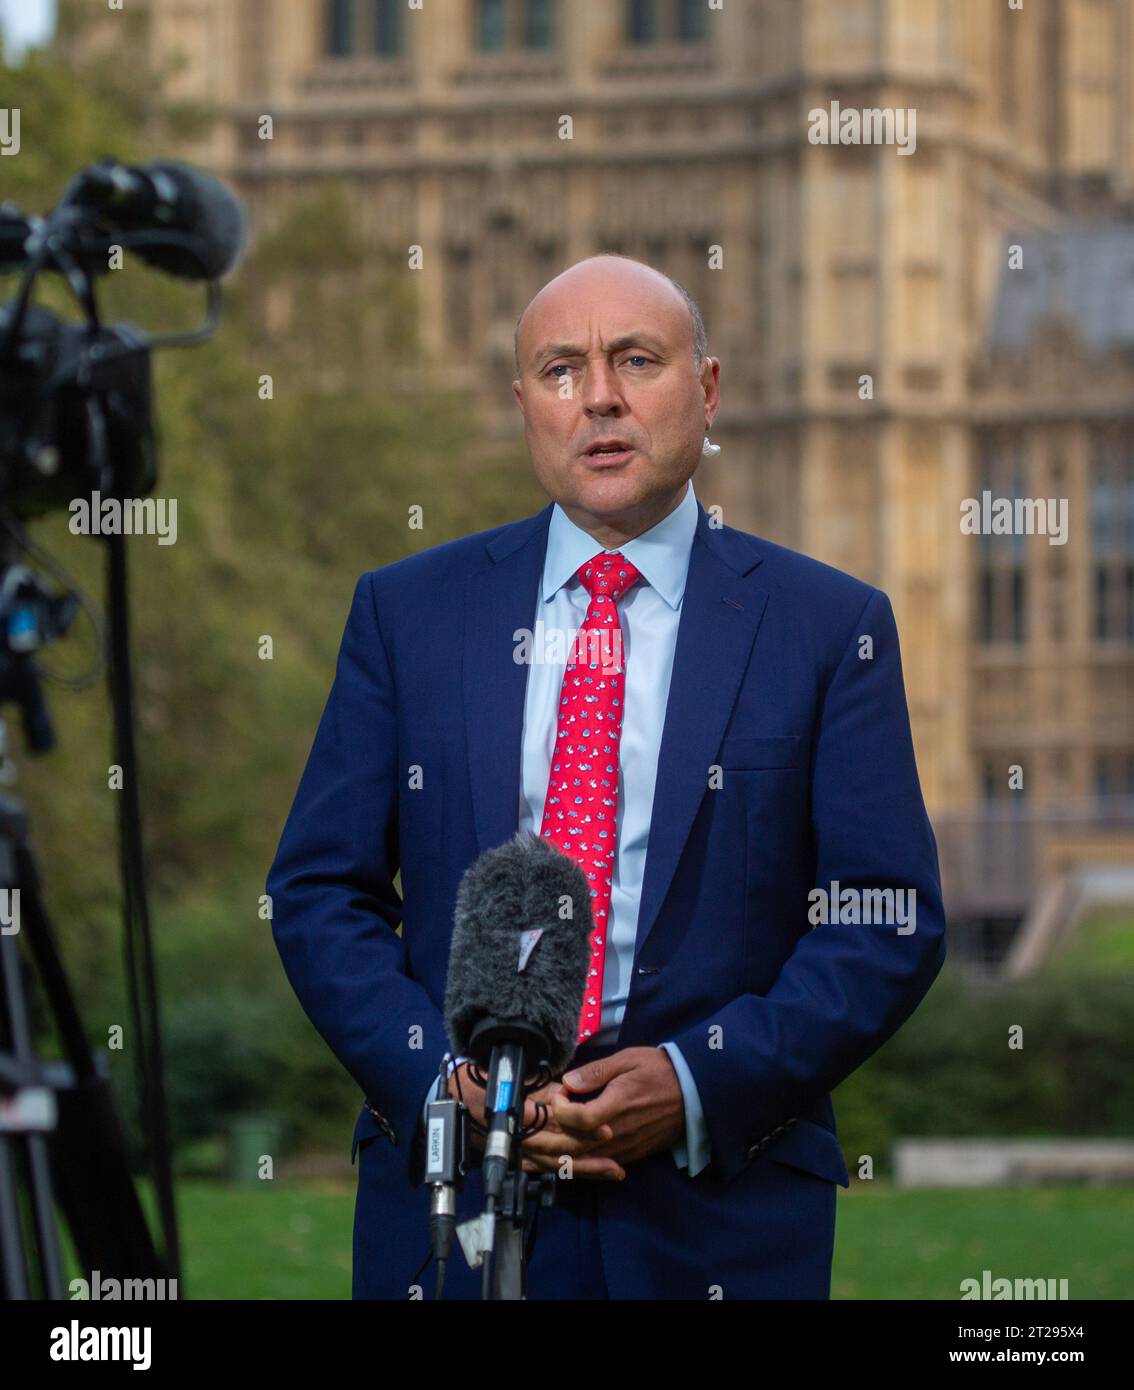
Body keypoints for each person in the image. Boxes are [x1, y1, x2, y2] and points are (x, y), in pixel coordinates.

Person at [266, 253, 946, 1299]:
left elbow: (883, 918)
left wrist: (696, 1077)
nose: (601, 398)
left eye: (637, 359)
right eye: (560, 369)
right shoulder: (410, 614)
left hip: (718, 1219)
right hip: (455, 1212)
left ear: (708, 389)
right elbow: (320, 893)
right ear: (524, 405)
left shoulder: (826, 627)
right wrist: (441, 1082)